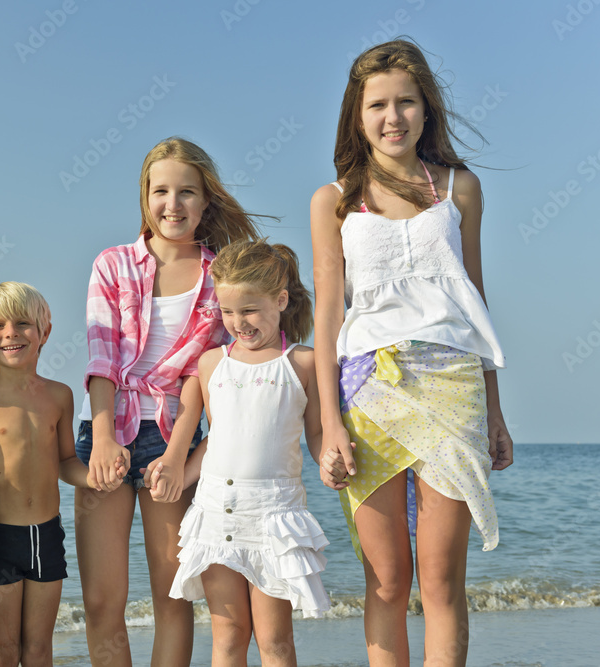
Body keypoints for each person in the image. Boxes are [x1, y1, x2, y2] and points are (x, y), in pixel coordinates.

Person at [310, 39, 513, 666]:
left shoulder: (461, 189)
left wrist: (496, 411)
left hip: (453, 382)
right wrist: (328, 425)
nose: (392, 117)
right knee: (388, 580)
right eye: (378, 105)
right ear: (357, 114)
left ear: (426, 110)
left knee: (441, 582)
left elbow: (476, 300)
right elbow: (326, 316)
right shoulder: (334, 200)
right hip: (368, 385)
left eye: (406, 102)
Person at [75, 137, 262, 667]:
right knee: (101, 599)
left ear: (206, 202)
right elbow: (102, 359)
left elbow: (201, 378)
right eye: (161, 191)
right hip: (109, 429)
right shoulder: (112, 265)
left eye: (187, 192)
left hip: (176, 435)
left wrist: (179, 456)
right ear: (144, 197)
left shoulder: (220, 274)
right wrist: (105, 438)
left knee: (174, 594)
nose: (172, 205)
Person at [166, 239, 339, 667]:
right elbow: (217, 439)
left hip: (273, 516)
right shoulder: (210, 365)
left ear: (280, 300)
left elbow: (315, 433)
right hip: (216, 514)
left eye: (249, 310)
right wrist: (176, 473)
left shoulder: (302, 363)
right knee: (227, 635)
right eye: (227, 311)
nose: (237, 322)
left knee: (275, 641)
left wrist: (329, 460)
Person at [0, 281, 111, 667]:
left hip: (46, 535)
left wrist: (93, 477)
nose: (11, 333)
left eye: (23, 323)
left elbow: (65, 461)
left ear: (45, 332)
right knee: (4, 650)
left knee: (39, 649)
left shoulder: (59, 396)